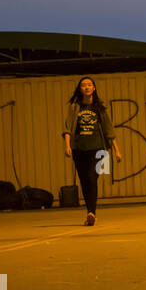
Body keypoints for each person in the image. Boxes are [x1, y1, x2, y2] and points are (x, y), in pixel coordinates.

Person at [62, 76, 122, 226]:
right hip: (79, 149)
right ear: (80, 89)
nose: (87, 87)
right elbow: (67, 127)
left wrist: (117, 150)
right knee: (84, 180)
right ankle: (90, 212)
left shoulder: (99, 108)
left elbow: (109, 130)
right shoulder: (75, 107)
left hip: (99, 149)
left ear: (94, 88)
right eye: (84, 85)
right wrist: (68, 146)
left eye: (90, 85)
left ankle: (92, 212)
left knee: (91, 178)